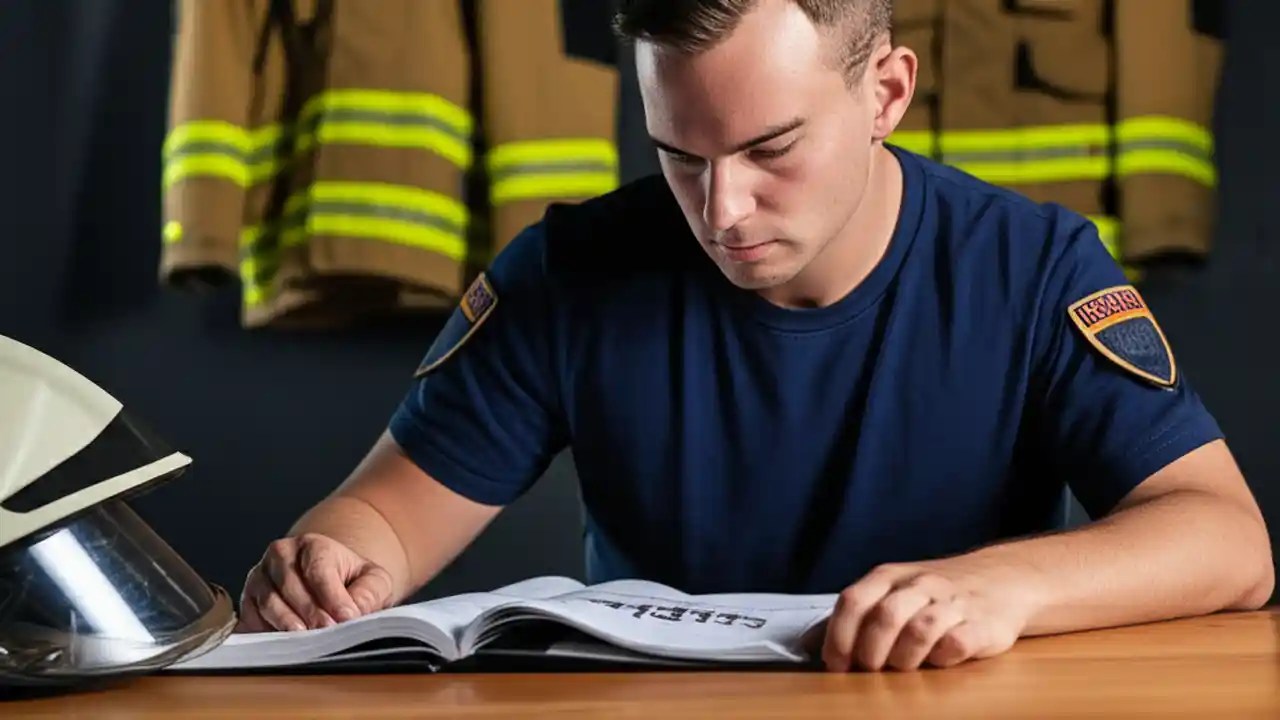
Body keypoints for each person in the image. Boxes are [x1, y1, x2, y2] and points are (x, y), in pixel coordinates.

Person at [234, 0, 1274, 672]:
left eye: (769, 148)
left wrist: (1003, 584)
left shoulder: (1030, 268)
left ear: (886, 94)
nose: (721, 209)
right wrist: (329, 565)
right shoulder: (566, 273)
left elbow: (1227, 541)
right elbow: (383, 522)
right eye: (676, 156)